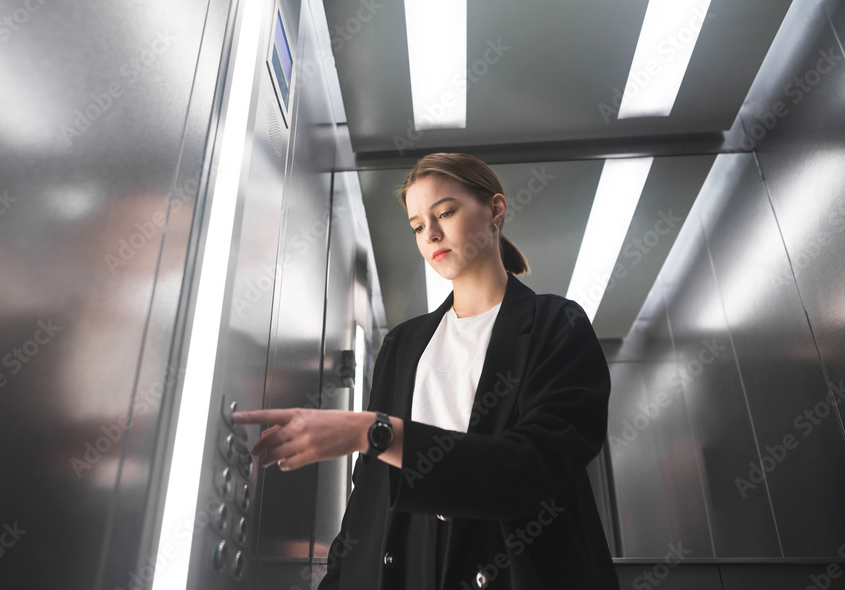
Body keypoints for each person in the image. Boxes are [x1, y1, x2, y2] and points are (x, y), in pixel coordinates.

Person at [233, 152, 618, 589]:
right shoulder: (404, 344)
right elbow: (368, 496)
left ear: (495, 209)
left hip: (512, 564)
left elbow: (533, 468)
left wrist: (377, 431)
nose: (431, 233)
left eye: (445, 213)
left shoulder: (556, 324)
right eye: (417, 225)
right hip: (408, 558)